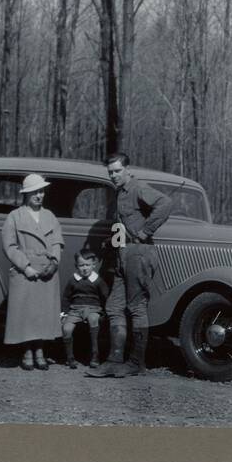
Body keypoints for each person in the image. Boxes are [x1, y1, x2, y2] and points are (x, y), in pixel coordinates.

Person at [90, 153, 173, 378]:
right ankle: (114, 361)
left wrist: (145, 231)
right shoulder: (120, 193)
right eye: (110, 172)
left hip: (139, 255)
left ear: (127, 168)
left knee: (136, 308)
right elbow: (124, 225)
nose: (114, 175)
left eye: (117, 171)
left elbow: (165, 203)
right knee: (114, 307)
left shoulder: (137, 188)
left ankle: (137, 363)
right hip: (121, 255)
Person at [1, 173, 64, 370]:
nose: (39, 195)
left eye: (41, 191)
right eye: (35, 192)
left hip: (47, 271)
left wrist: (54, 262)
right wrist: (26, 267)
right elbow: (10, 246)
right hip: (25, 270)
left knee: (44, 314)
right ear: (26, 194)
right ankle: (27, 351)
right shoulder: (15, 217)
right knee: (26, 314)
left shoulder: (50, 216)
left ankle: (40, 351)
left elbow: (57, 241)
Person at [61, 250, 110, 369]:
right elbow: (66, 297)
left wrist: (104, 312)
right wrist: (63, 313)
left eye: (87, 265)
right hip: (75, 309)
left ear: (94, 265)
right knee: (66, 329)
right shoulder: (73, 280)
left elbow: (106, 297)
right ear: (76, 266)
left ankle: (95, 355)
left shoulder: (98, 281)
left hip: (93, 308)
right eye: (81, 265)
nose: (84, 268)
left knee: (94, 319)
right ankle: (70, 358)